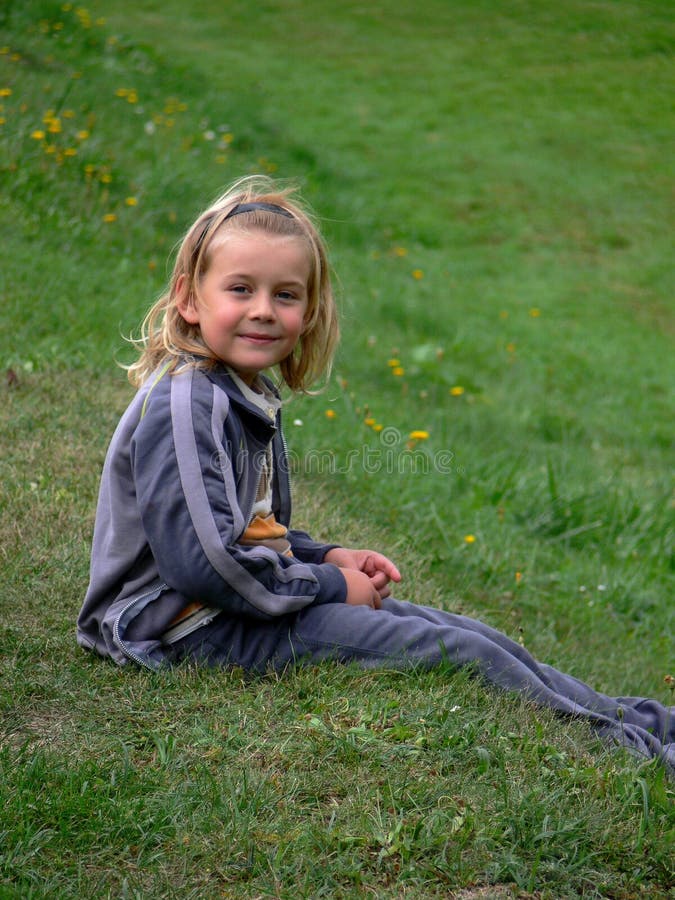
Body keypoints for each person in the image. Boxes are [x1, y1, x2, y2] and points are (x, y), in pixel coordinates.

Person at [77, 175, 674, 771]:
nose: (263, 310)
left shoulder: (240, 391)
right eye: (240, 289)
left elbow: (245, 530)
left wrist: (326, 557)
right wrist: (334, 589)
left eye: (286, 295)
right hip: (186, 629)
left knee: (479, 636)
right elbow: (206, 564)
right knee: (458, 654)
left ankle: (651, 725)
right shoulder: (186, 403)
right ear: (189, 298)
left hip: (233, 606)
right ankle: (643, 760)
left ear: (309, 310)